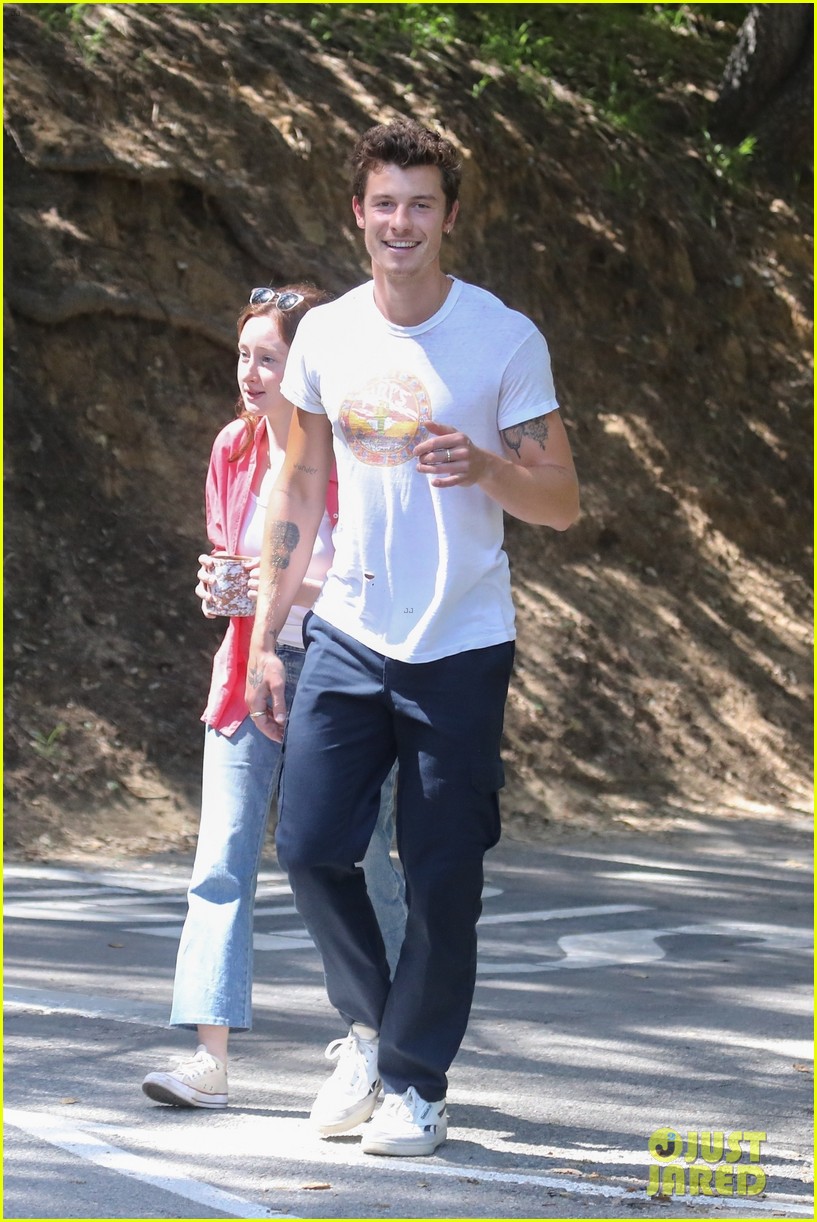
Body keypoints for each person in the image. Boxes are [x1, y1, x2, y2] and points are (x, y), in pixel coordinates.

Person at [246, 119, 580, 1157]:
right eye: (384, 202)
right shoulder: (327, 336)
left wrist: (486, 467)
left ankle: (413, 1081)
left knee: (442, 873)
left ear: (446, 217)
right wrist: (267, 635)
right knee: (306, 846)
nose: (401, 222)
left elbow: (561, 501)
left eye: (420, 204)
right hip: (347, 626)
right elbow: (300, 481)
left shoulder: (502, 338)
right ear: (359, 213)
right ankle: (371, 1026)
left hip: (462, 643)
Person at [142, 284, 406, 1110]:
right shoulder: (233, 447)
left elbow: (370, 575)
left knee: (367, 867)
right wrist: (225, 584)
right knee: (218, 864)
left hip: (345, 679)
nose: (250, 373)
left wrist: (280, 581)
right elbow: (239, 566)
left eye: (269, 358)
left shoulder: (355, 453)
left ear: (307, 369)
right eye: (244, 355)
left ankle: (385, 1040)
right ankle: (208, 1057)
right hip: (245, 677)